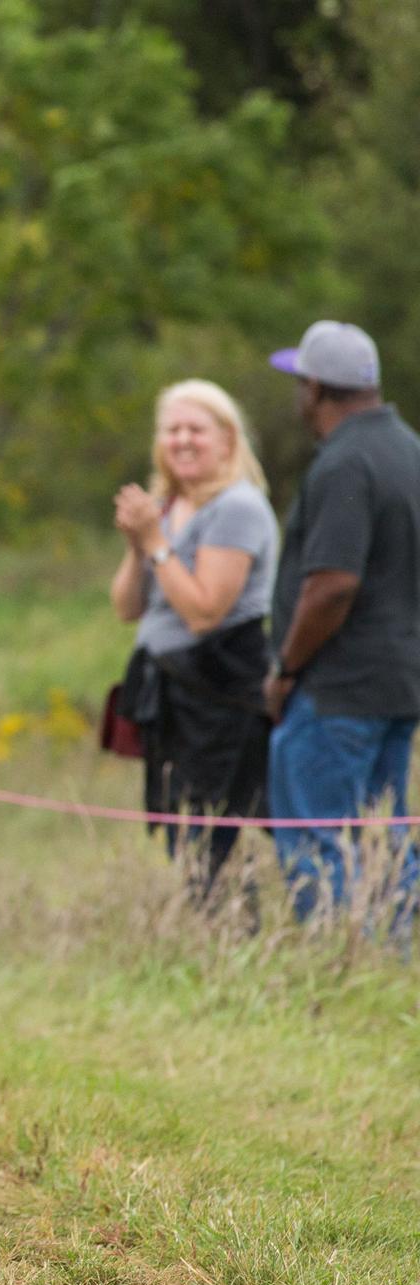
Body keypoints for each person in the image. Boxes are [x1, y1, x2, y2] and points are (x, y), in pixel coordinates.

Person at [261, 321, 420, 924]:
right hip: (397, 685)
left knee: (316, 840)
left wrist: (286, 669)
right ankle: (389, 961)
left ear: (314, 390)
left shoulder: (346, 463)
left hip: (339, 693)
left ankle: (339, 968)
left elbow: (333, 585)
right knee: (382, 838)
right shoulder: (408, 449)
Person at [108, 380, 276, 911]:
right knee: (184, 827)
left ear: (227, 439)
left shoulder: (237, 507)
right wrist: (139, 546)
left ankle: (234, 928)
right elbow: (127, 607)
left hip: (221, 694)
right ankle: (212, 926)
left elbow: (204, 611)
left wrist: (156, 543)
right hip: (170, 694)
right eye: (172, 429)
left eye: (195, 430)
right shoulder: (167, 505)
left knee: (216, 824)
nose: (182, 440)